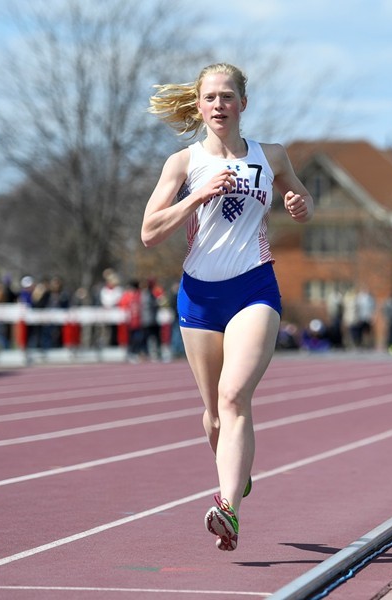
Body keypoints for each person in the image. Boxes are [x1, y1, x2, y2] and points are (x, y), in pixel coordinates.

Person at [141, 63, 313, 551]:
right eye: (211, 97)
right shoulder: (182, 163)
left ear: (243, 103)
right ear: (199, 105)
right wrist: (196, 196)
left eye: (228, 96)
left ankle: (228, 509)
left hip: (253, 289)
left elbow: (300, 199)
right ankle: (238, 476)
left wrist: (301, 206)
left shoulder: (270, 156)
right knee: (214, 416)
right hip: (199, 295)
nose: (219, 105)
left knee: (234, 396)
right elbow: (149, 233)